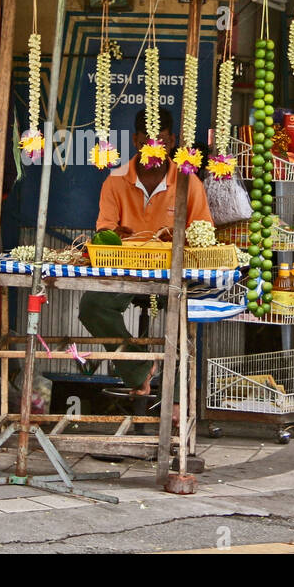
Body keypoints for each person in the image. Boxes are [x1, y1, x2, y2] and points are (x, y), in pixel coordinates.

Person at [78, 107, 213, 395]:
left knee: (187, 311)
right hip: (126, 271)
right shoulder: (116, 180)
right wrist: (114, 236)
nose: (154, 149)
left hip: (172, 275)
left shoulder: (190, 183)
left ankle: (177, 401)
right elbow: (104, 232)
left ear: (173, 141)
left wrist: (182, 237)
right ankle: (138, 370)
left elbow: (204, 235)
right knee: (92, 305)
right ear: (136, 141)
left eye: (161, 142)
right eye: (147, 142)